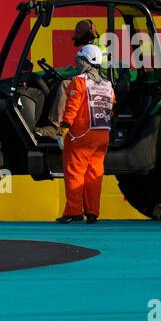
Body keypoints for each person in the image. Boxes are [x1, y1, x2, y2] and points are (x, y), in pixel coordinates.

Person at [57, 44, 115, 224]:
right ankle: (92, 213)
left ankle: (74, 212)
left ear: (87, 62)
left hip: (81, 136)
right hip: (102, 135)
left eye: (80, 60)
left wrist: (63, 129)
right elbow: (111, 107)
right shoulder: (107, 84)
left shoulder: (79, 81)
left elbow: (72, 108)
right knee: (94, 175)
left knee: (75, 173)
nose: (77, 63)